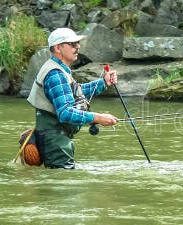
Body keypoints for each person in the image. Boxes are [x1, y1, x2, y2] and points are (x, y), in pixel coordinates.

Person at [27, 27, 118, 168]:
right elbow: (65, 113)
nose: (78, 47)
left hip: (56, 139)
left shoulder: (59, 69)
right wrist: (97, 117)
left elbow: (76, 92)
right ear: (58, 48)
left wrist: (103, 83)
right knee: (63, 186)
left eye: (78, 43)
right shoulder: (55, 74)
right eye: (73, 44)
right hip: (55, 142)